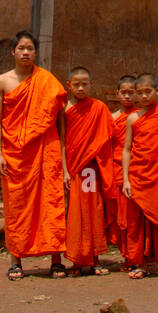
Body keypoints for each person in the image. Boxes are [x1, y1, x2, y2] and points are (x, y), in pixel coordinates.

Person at [0, 31, 70, 280]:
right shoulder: (1, 82)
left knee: (51, 202)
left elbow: (60, 123)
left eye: (30, 48)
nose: (26, 52)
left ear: (36, 53)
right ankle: (16, 260)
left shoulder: (48, 81)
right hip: (15, 154)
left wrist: (64, 163)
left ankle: (56, 259)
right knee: (16, 206)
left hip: (46, 151)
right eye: (21, 48)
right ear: (12, 52)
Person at [120, 73, 158, 279]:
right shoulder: (132, 119)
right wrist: (126, 179)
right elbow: (127, 149)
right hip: (138, 175)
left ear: (157, 91)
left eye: (148, 91)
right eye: (140, 93)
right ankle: (141, 263)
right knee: (138, 222)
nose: (144, 96)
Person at [62, 67, 114, 276]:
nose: (81, 88)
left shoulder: (99, 108)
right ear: (69, 85)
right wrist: (65, 170)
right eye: (77, 84)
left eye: (85, 84)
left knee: (93, 210)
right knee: (75, 214)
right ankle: (76, 260)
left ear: (91, 85)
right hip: (74, 168)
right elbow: (63, 141)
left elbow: (106, 139)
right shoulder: (65, 109)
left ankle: (95, 259)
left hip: (91, 168)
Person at [105, 75, 137, 263]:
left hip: (136, 168)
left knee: (132, 215)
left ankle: (135, 255)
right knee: (120, 214)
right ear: (117, 93)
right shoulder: (112, 117)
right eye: (123, 93)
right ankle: (126, 254)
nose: (127, 97)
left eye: (130, 93)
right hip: (116, 168)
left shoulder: (140, 115)